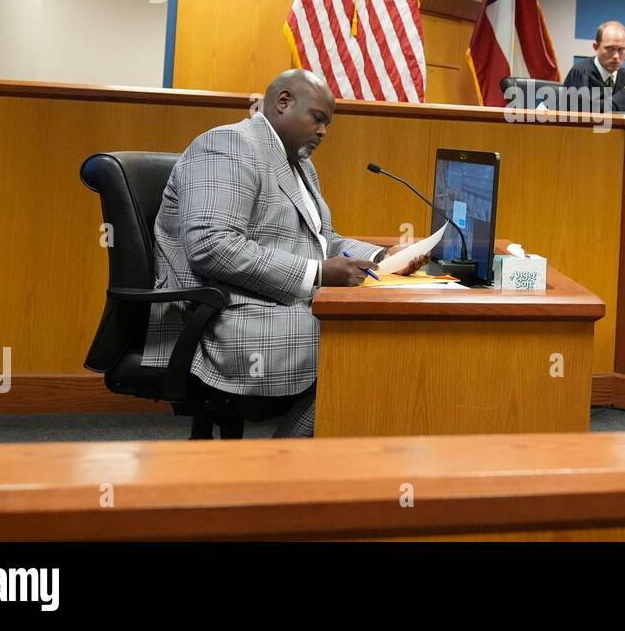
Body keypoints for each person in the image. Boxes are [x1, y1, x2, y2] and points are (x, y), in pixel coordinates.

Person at [141, 68, 421, 437]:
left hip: (274, 303)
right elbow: (211, 246)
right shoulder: (228, 144)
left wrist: (385, 258)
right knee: (365, 352)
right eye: (318, 119)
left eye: (328, 124)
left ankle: (284, 464)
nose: (324, 131)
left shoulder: (299, 163)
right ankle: (279, 463)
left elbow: (324, 239)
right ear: (283, 102)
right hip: (227, 315)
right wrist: (318, 274)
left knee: (375, 346)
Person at [562, 20, 625, 115]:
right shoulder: (580, 73)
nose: (616, 56)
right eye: (610, 49)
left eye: (621, 49)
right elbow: (591, 116)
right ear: (596, 47)